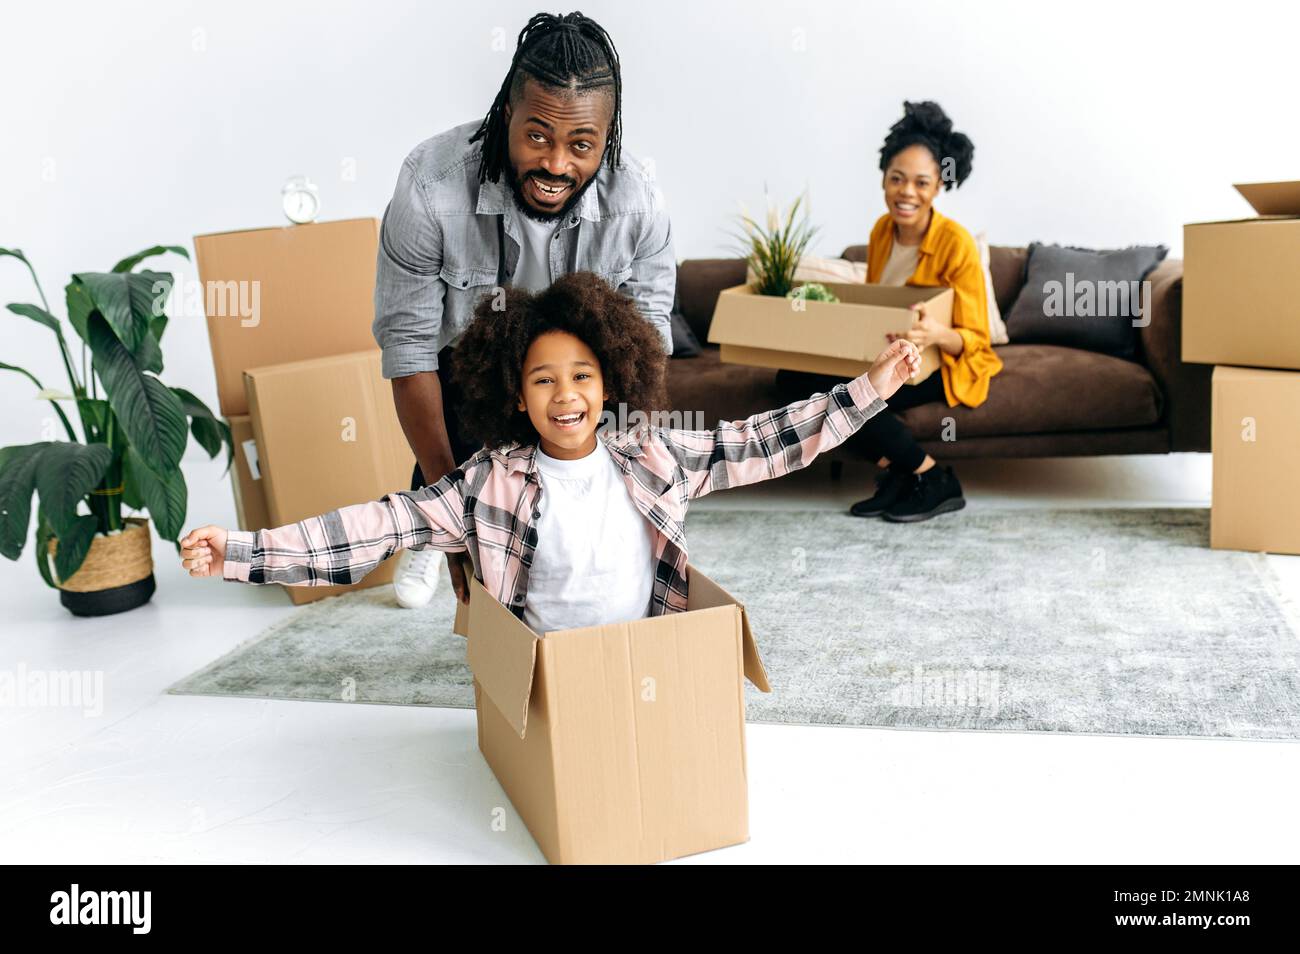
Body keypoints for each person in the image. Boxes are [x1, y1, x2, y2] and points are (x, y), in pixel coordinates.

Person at [179, 273, 921, 630]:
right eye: (543, 380)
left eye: (582, 376)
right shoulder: (486, 485)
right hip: (545, 670)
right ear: (515, 394)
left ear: (610, 381)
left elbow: (763, 443)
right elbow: (370, 529)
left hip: (641, 656)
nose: (565, 396)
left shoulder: (652, 456)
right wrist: (241, 552)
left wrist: (871, 389)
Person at [374, 12, 676, 609]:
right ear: (506, 113)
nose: (557, 165)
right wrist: (452, 512)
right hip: (470, 363)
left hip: (576, 361)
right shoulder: (430, 188)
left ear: (608, 137)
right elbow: (409, 354)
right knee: (467, 409)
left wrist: (639, 494)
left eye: (581, 145)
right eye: (537, 136)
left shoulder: (639, 202)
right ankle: (430, 524)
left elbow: (648, 355)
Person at [777, 100, 1003, 522]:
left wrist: (936, 333)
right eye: (897, 178)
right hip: (892, 351)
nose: (907, 192)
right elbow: (876, 302)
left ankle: (934, 477)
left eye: (921, 182)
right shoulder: (882, 231)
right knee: (790, 377)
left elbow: (976, 341)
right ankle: (898, 470)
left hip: (942, 364)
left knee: (844, 388)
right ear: (883, 178)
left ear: (938, 186)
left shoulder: (956, 243)